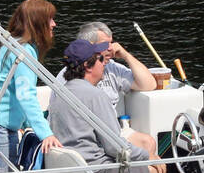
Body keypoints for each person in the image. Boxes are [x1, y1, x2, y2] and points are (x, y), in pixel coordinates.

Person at [48, 39, 165, 173]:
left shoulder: (60, 94)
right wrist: (148, 157)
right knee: (154, 172)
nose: (105, 64)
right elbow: (115, 147)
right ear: (88, 66)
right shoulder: (95, 96)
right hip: (97, 171)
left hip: (72, 169)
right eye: (101, 59)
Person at [0, 0, 63, 173]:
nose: (54, 24)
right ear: (38, 23)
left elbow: (10, 88)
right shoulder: (24, 52)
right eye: (50, 19)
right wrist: (45, 133)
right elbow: (25, 95)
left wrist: (25, 122)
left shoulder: (13, 44)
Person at [55, 21, 159, 160]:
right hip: (85, 138)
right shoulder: (68, 75)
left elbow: (149, 84)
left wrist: (126, 55)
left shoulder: (112, 68)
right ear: (88, 47)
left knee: (148, 142)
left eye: (112, 43)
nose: (112, 48)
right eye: (105, 44)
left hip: (112, 131)